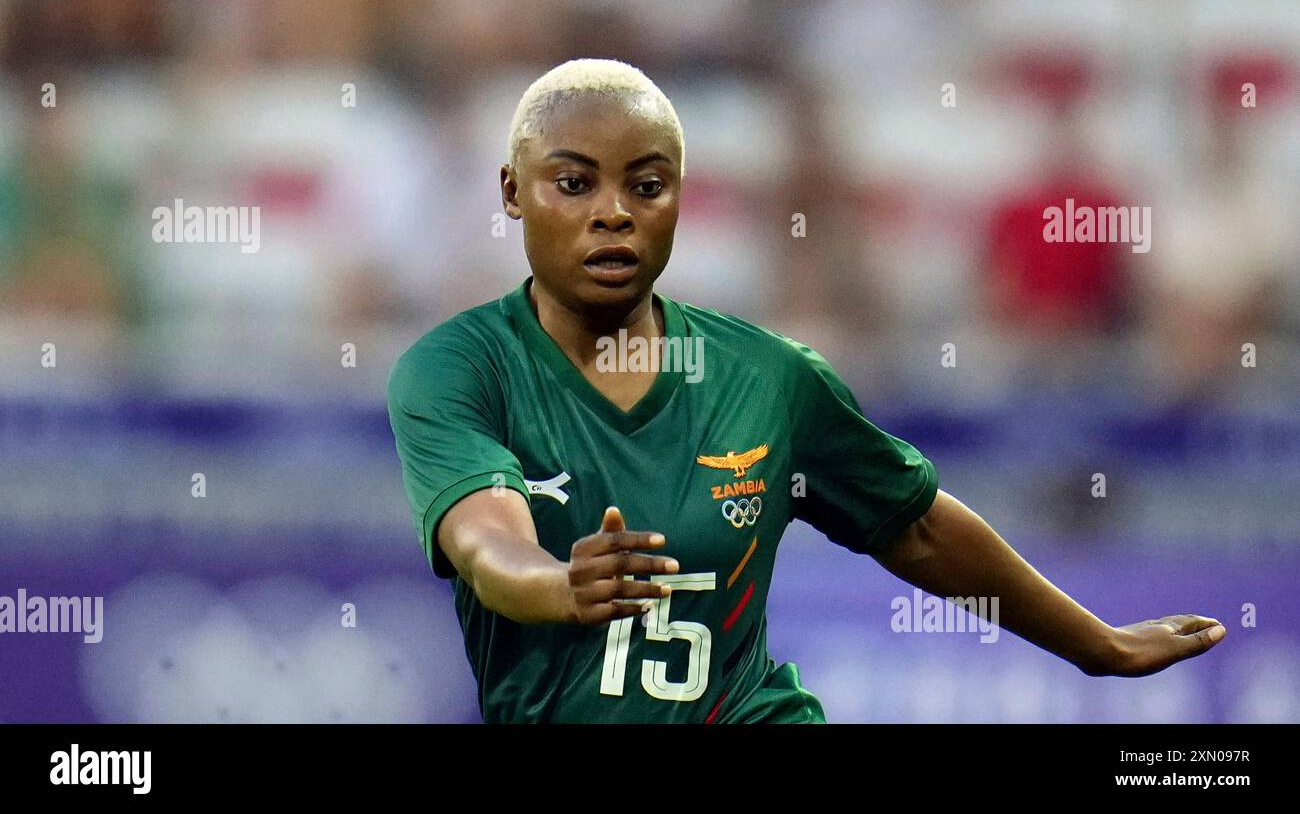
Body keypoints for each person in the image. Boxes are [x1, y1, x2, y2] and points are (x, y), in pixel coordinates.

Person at [386, 58, 1226, 723]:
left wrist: (1098, 646)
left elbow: (920, 528)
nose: (614, 213)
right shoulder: (458, 369)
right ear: (511, 192)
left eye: (646, 185)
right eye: (573, 184)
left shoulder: (769, 377)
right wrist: (556, 585)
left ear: (679, 199)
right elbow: (485, 544)